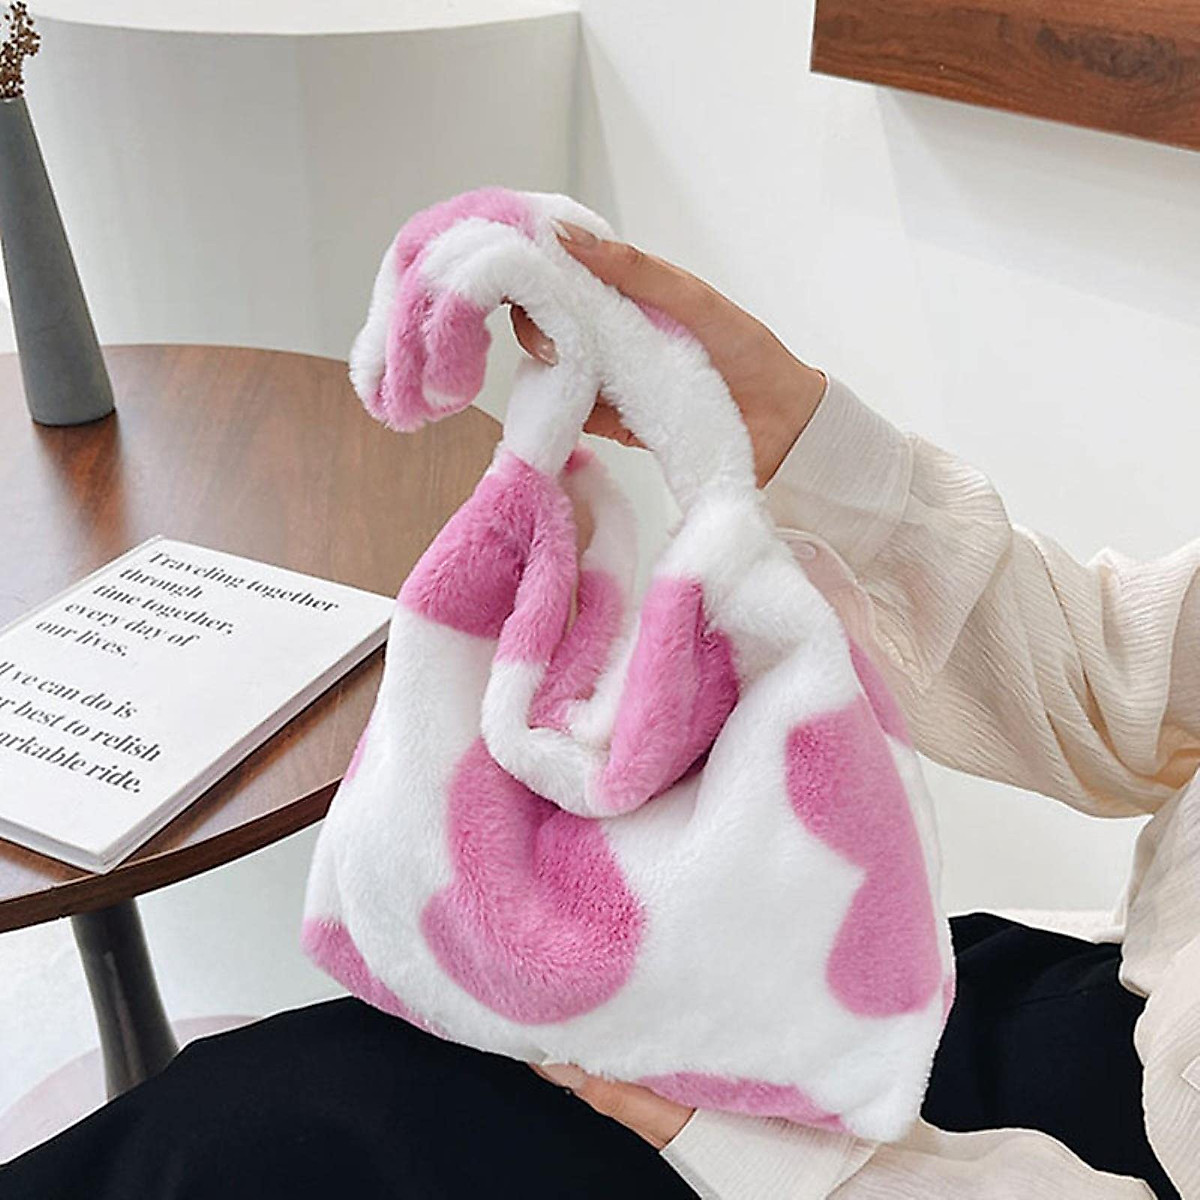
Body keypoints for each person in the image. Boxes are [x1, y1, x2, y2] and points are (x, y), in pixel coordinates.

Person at [2, 225, 1196, 1200]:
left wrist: (770, 1163)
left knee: (249, 1138)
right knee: (253, 1111)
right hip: (1072, 1006)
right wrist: (797, 438)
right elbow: (1127, 684)